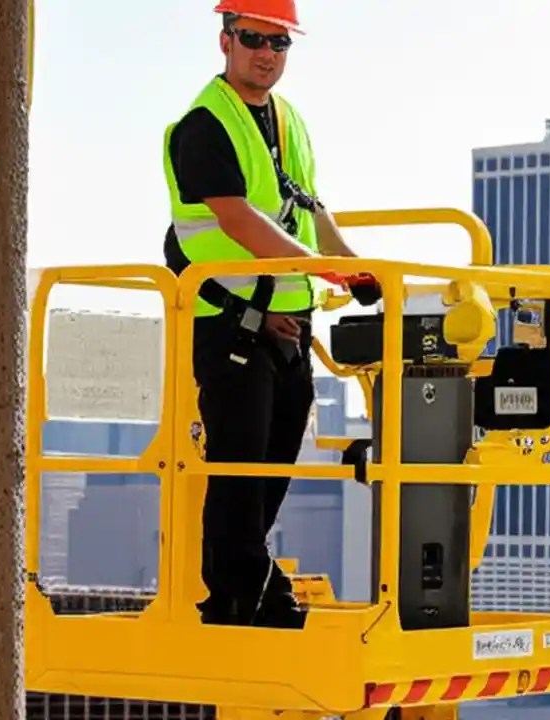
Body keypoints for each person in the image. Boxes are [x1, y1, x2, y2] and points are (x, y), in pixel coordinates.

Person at [161, 0, 379, 630]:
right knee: (239, 468)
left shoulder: (289, 121)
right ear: (226, 40)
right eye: (254, 38)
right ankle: (237, 600)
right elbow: (238, 219)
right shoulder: (201, 125)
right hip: (226, 322)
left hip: (286, 324)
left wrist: (359, 268)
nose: (267, 53)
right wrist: (321, 269)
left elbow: (309, 209)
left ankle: (255, 585)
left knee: (272, 469)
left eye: (279, 43)